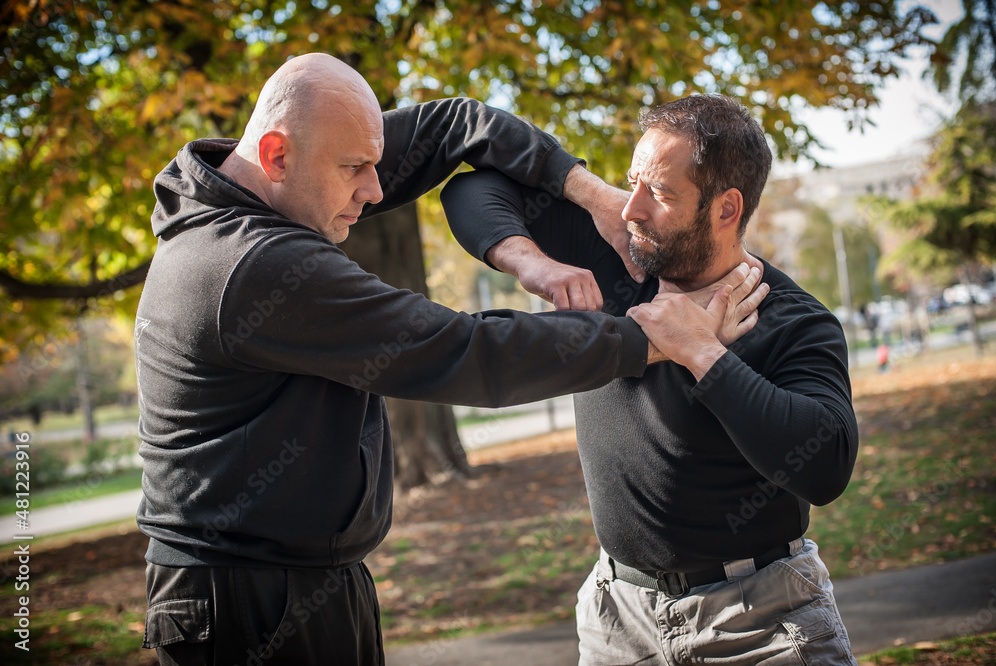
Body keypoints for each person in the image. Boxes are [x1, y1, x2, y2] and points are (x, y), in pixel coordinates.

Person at [134, 55, 763, 665]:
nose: (376, 190)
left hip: (302, 581)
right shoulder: (251, 265)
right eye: (355, 168)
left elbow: (459, 126)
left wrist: (595, 197)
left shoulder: (285, 181)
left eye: (376, 163)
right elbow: (463, 351)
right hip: (245, 600)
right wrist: (655, 340)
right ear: (275, 155)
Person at [442, 94, 860, 664]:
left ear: (725, 208)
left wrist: (700, 351)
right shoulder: (614, 247)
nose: (632, 208)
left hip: (759, 621)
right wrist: (541, 255)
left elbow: (825, 466)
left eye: (658, 193)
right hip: (618, 619)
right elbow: (470, 188)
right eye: (630, 182)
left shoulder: (791, 317)